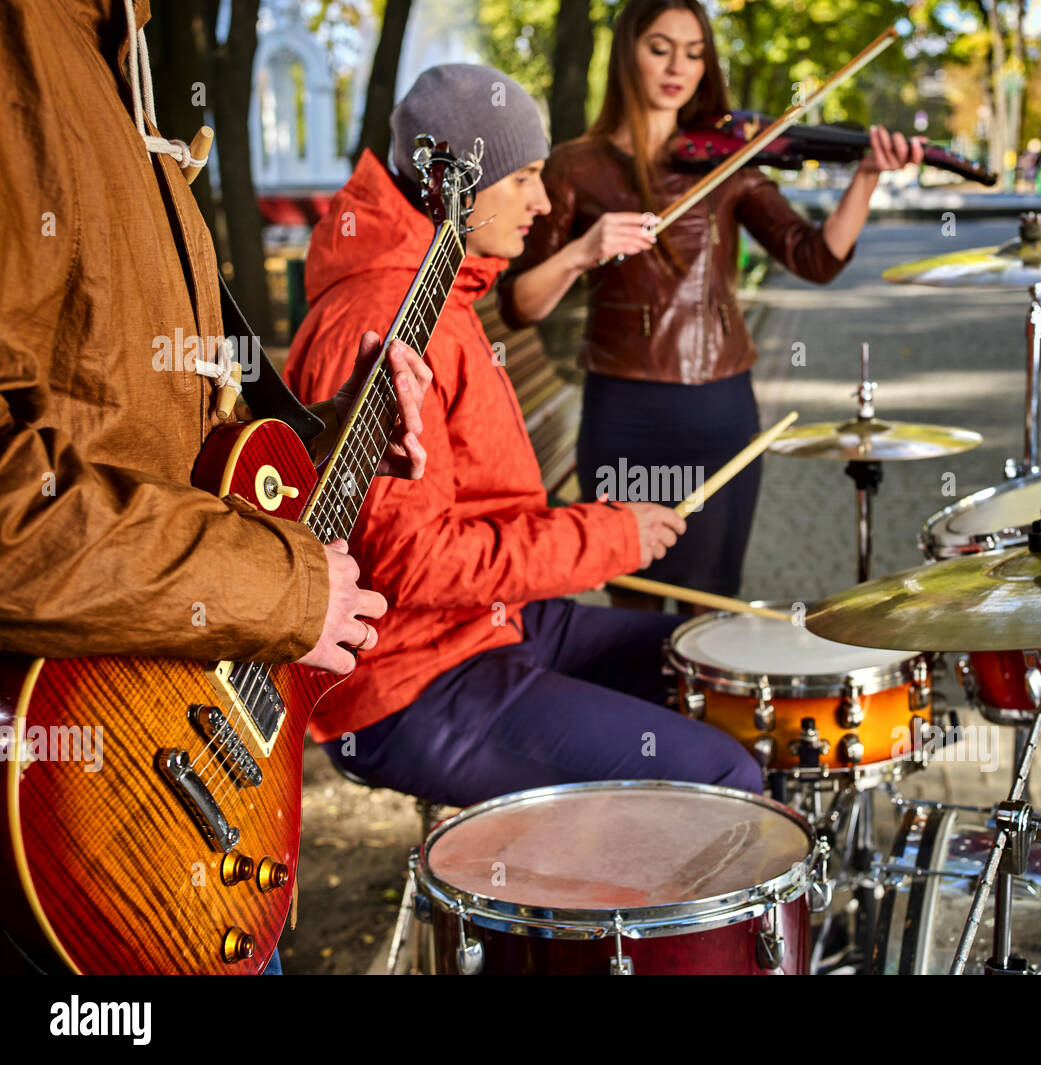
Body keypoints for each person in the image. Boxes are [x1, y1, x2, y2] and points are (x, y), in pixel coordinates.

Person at [0, 0, 432, 973]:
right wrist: (284, 591)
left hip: (181, 771)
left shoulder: (115, 54)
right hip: (73, 823)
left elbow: (162, 434)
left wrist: (334, 430)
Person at [284, 64, 764, 806]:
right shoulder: (382, 320)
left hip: (489, 625)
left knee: (725, 673)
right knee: (724, 776)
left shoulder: (438, 287)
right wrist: (607, 540)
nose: (543, 200)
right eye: (524, 177)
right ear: (453, 188)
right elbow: (412, 564)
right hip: (412, 676)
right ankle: (588, 915)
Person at [496, 0, 924, 611]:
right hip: (623, 413)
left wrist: (866, 178)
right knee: (634, 597)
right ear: (627, 54)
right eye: (660, 47)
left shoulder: (730, 159)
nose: (679, 67)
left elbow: (815, 259)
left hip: (718, 410)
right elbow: (520, 306)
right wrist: (582, 252)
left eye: (695, 53)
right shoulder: (574, 166)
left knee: (712, 605)